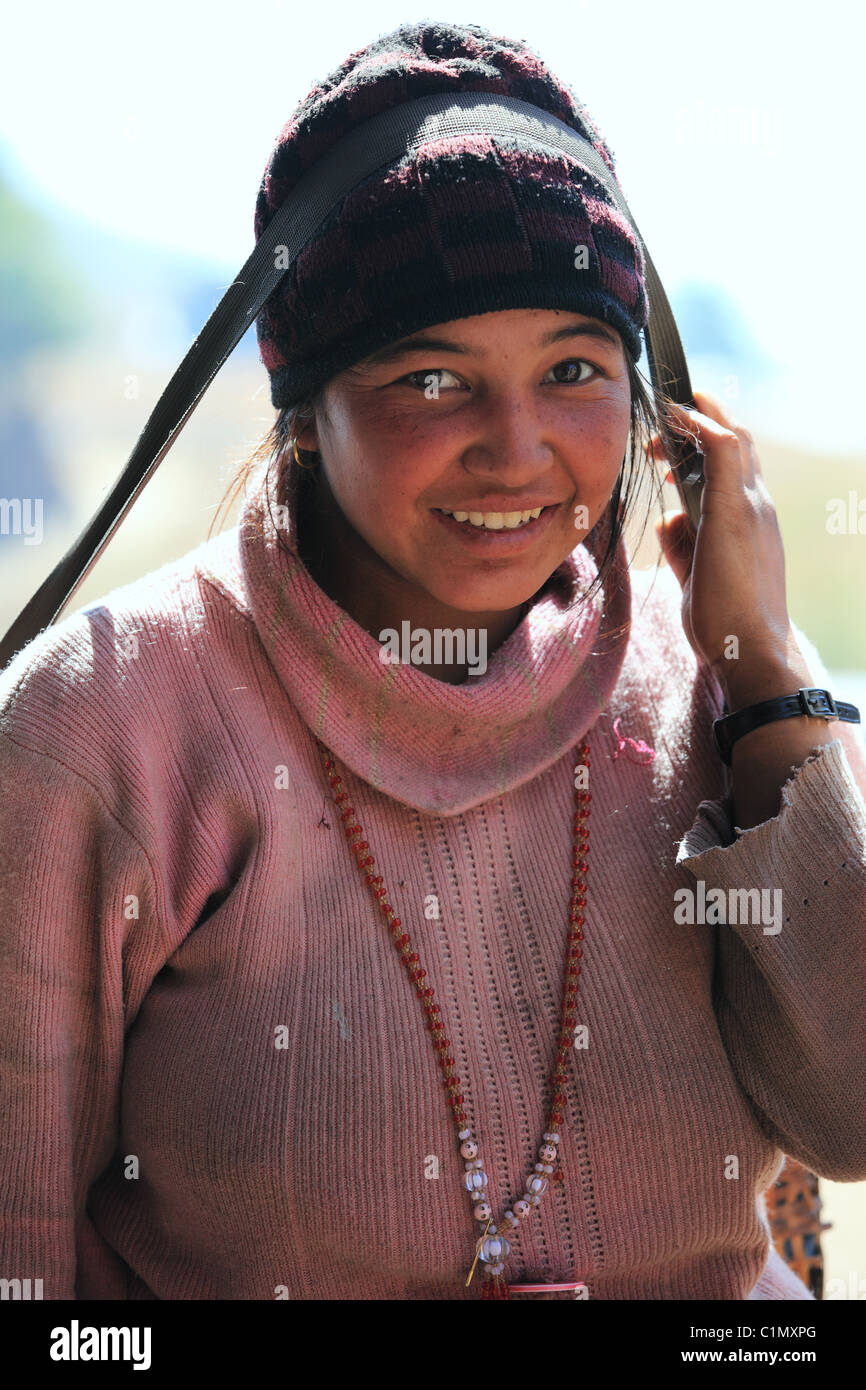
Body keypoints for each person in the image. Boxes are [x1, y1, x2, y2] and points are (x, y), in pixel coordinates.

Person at [1, 19, 865, 1302]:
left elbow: (846, 1114)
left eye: (571, 369)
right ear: (305, 416)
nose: (515, 451)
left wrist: (762, 674)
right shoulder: (97, 731)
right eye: (429, 380)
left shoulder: (706, 695)